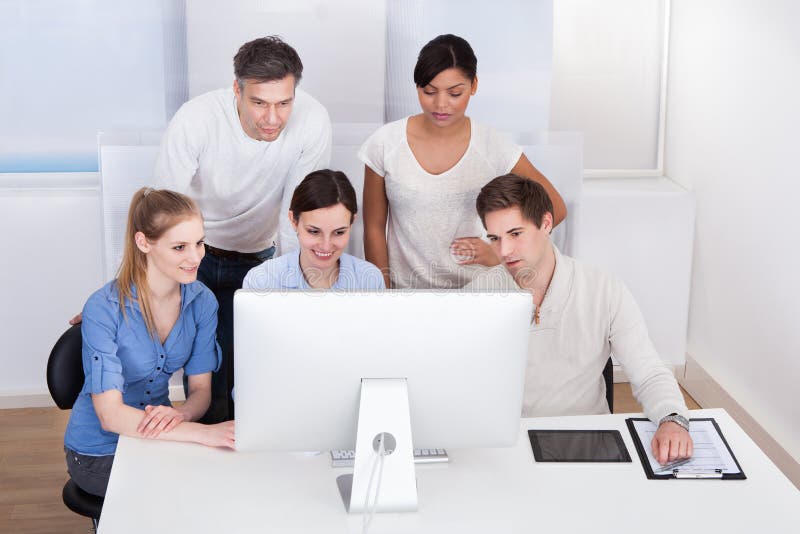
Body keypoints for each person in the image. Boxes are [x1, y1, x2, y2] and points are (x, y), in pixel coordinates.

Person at [152, 36, 332, 422]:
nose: (272, 118)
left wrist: (298, 288)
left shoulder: (313, 121)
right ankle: (208, 464)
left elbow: (298, 214)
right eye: (259, 103)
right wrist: (127, 287)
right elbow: (162, 211)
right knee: (207, 373)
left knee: (251, 372)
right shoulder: (196, 118)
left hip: (257, 260)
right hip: (195, 257)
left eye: (284, 103)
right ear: (237, 89)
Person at [469, 174, 693, 465]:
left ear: (546, 223)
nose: (504, 251)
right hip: (510, 446)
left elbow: (649, 373)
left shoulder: (604, 289)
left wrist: (672, 418)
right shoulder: (476, 297)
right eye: (494, 238)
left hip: (588, 443)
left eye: (515, 234)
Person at [63, 188, 235, 497]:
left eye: (199, 243)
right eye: (179, 247)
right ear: (144, 242)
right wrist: (203, 434)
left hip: (162, 436)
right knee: (178, 495)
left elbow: (200, 392)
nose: (195, 257)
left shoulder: (202, 302)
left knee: (218, 487)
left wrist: (180, 415)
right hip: (99, 451)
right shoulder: (103, 308)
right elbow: (110, 414)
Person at [360, 34, 566, 289]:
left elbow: (555, 207)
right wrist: (384, 294)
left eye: (455, 93)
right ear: (417, 87)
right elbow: (374, 227)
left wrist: (499, 251)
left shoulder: (492, 146)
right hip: (406, 297)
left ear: (474, 85)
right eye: (429, 92)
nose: (441, 104)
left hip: (476, 294)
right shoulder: (384, 143)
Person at [244, 170, 384, 290]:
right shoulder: (262, 281)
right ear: (294, 221)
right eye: (314, 231)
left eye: (339, 232)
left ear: (352, 222)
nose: (326, 245)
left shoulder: (370, 280)